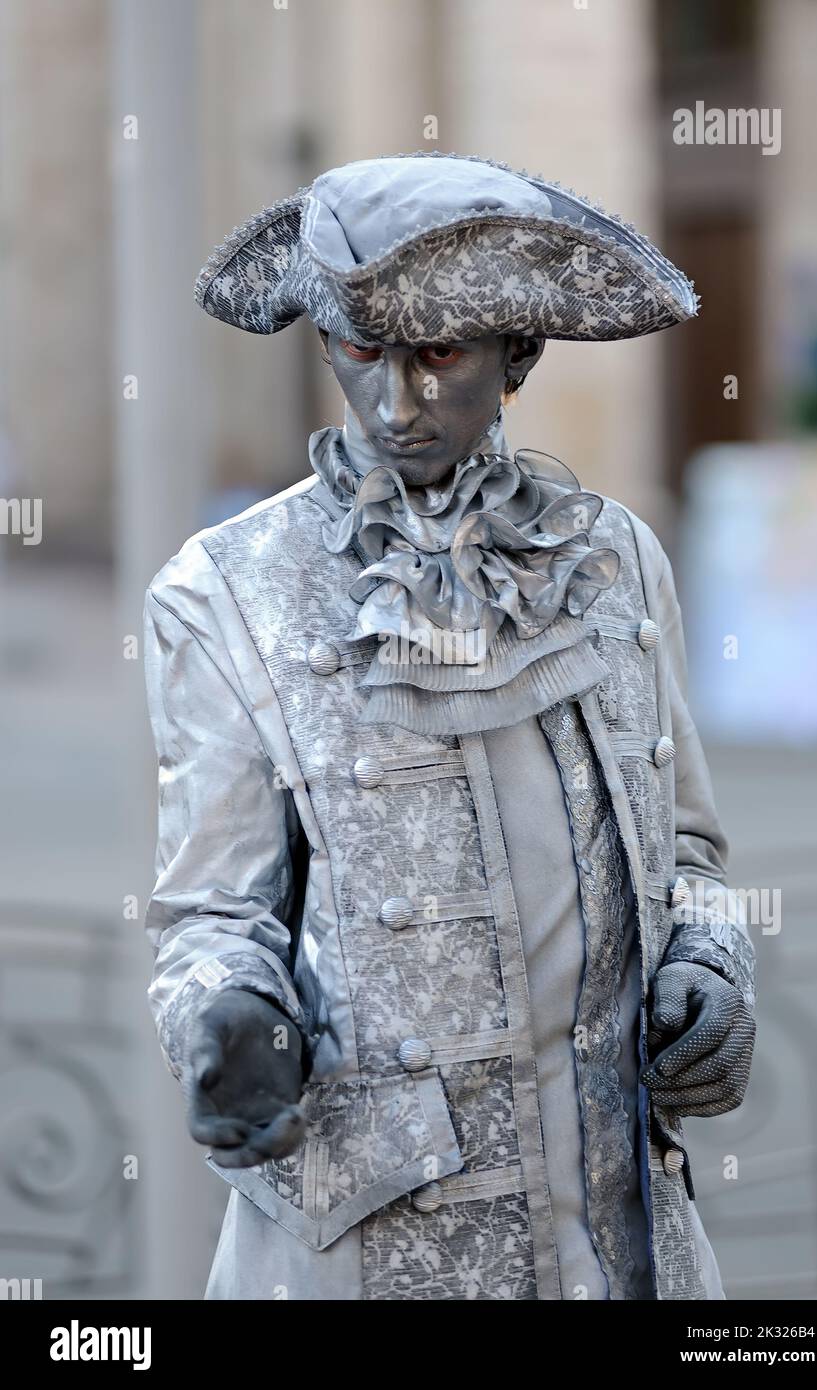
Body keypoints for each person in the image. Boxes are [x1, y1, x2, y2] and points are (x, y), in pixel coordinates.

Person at [143, 152, 756, 1300]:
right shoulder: (222, 590)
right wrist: (230, 1017)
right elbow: (210, 912)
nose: (394, 405)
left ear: (516, 354)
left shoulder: (616, 559)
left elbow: (686, 851)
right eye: (362, 353)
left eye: (438, 356)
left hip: (623, 1245)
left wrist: (712, 960)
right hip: (369, 1255)